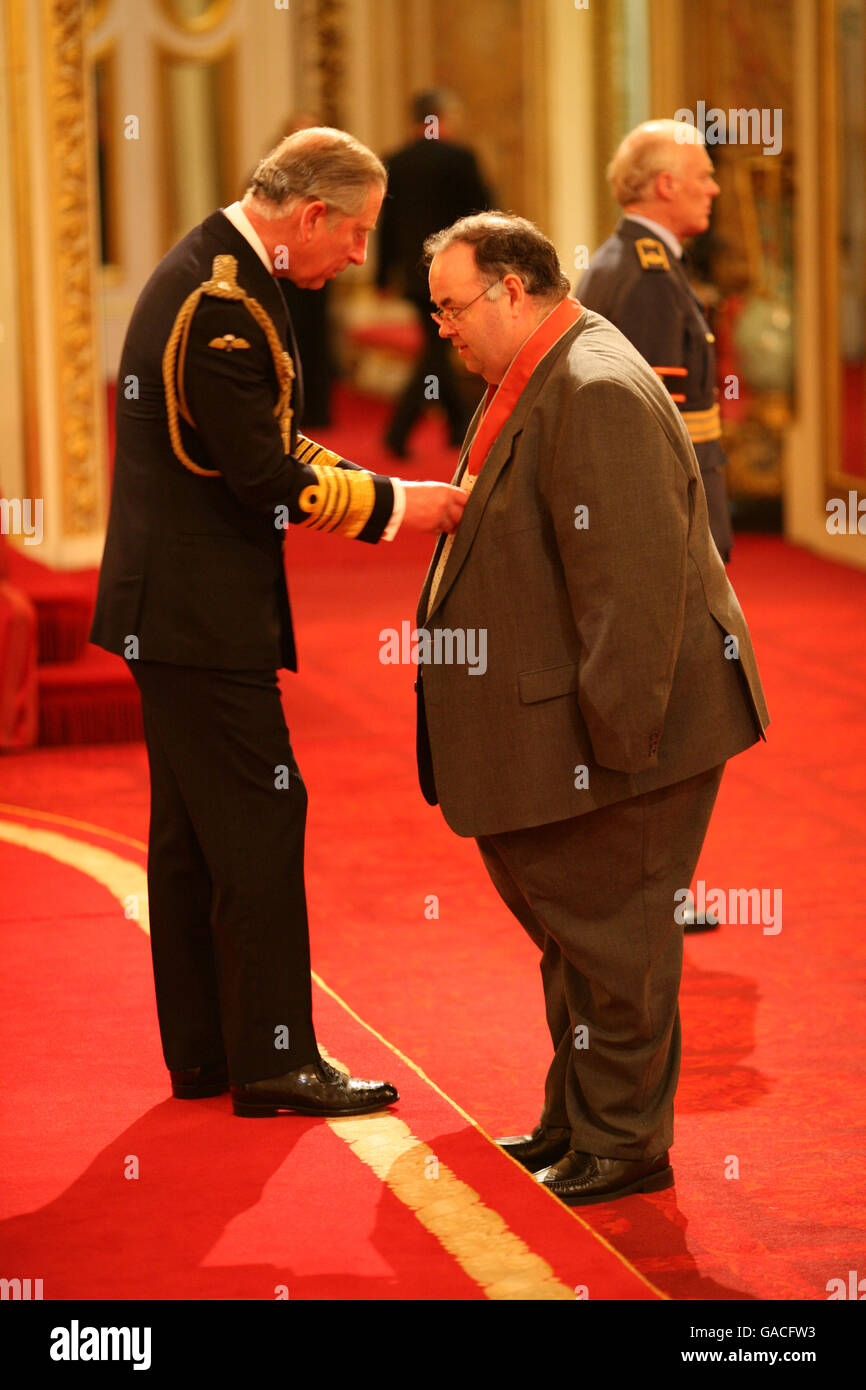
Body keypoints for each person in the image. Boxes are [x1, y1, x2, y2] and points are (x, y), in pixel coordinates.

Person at [90, 127, 466, 1119]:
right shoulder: (222, 302)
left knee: (191, 831)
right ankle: (273, 1057)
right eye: (353, 236)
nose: (355, 256)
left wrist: (383, 485)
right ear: (309, 217)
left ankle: (208, 1052)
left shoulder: (226, 275)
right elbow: (264, 473)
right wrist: (396, 511)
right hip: (196, 616)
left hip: (171, 610)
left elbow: (269, 434)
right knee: (261, 815)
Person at [416, 212, 769, 1204]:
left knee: (616, 946)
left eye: (451, 306)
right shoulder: (544, 367)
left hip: (628, 736)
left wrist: (616, 757)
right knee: (577, 939)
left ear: (513, 291)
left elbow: (633, 590)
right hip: (581, 727)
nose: (439, 325)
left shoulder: (595, 387)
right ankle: (574, 1123)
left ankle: (622, 1146)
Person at [577, 119, 733, 561]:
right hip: (670, 510)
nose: (714, 189)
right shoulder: (648, 276)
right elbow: (650, 424)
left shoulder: (627, 259)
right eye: (704, 176)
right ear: (666, 185)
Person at [376, 88, 491, 457]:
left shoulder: (395, 160)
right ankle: (399, 430)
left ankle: (457, 427)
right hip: (458, 273)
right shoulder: (460, 159)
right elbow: (485, 219)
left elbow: (387, 224)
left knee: (437, 347)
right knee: (436, 351)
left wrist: (382, 274)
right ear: (441, 118)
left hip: (413, 275)